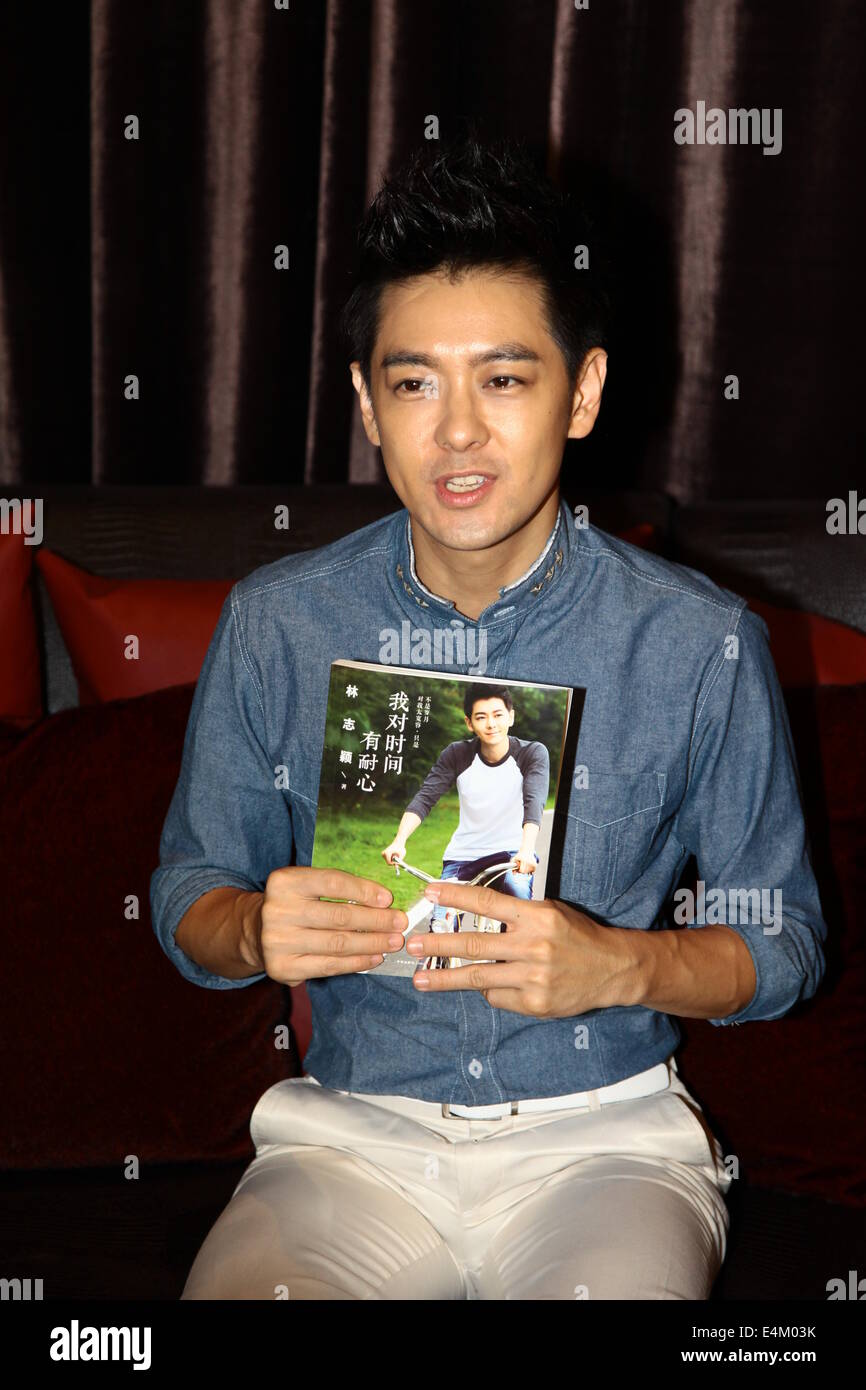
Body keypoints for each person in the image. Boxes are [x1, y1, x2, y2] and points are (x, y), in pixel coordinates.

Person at [150, 134, 827, 1300]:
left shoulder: (699, 643)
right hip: (349, 1143)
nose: (456, 432)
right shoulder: (277, 624)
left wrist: (617, 963)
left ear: (584, 392)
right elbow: (185, 897)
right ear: (366, 402)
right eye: (413, 382)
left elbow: (782, 946)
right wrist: (253, 930)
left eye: (504, 379)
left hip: (604, 1145)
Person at [381, 684, 549, 967]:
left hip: (512, 853)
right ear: (469, 723)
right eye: (481, 717)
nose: (491, 723)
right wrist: (399, 840)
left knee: (519, 906)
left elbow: (534, 802)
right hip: (464, 854)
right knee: (442, 928)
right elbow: (425, 798)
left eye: (498, 714)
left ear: (511, 716)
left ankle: (513, 966)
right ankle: (439, 972)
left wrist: (526, 850)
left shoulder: (532, 753)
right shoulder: (457, 754)